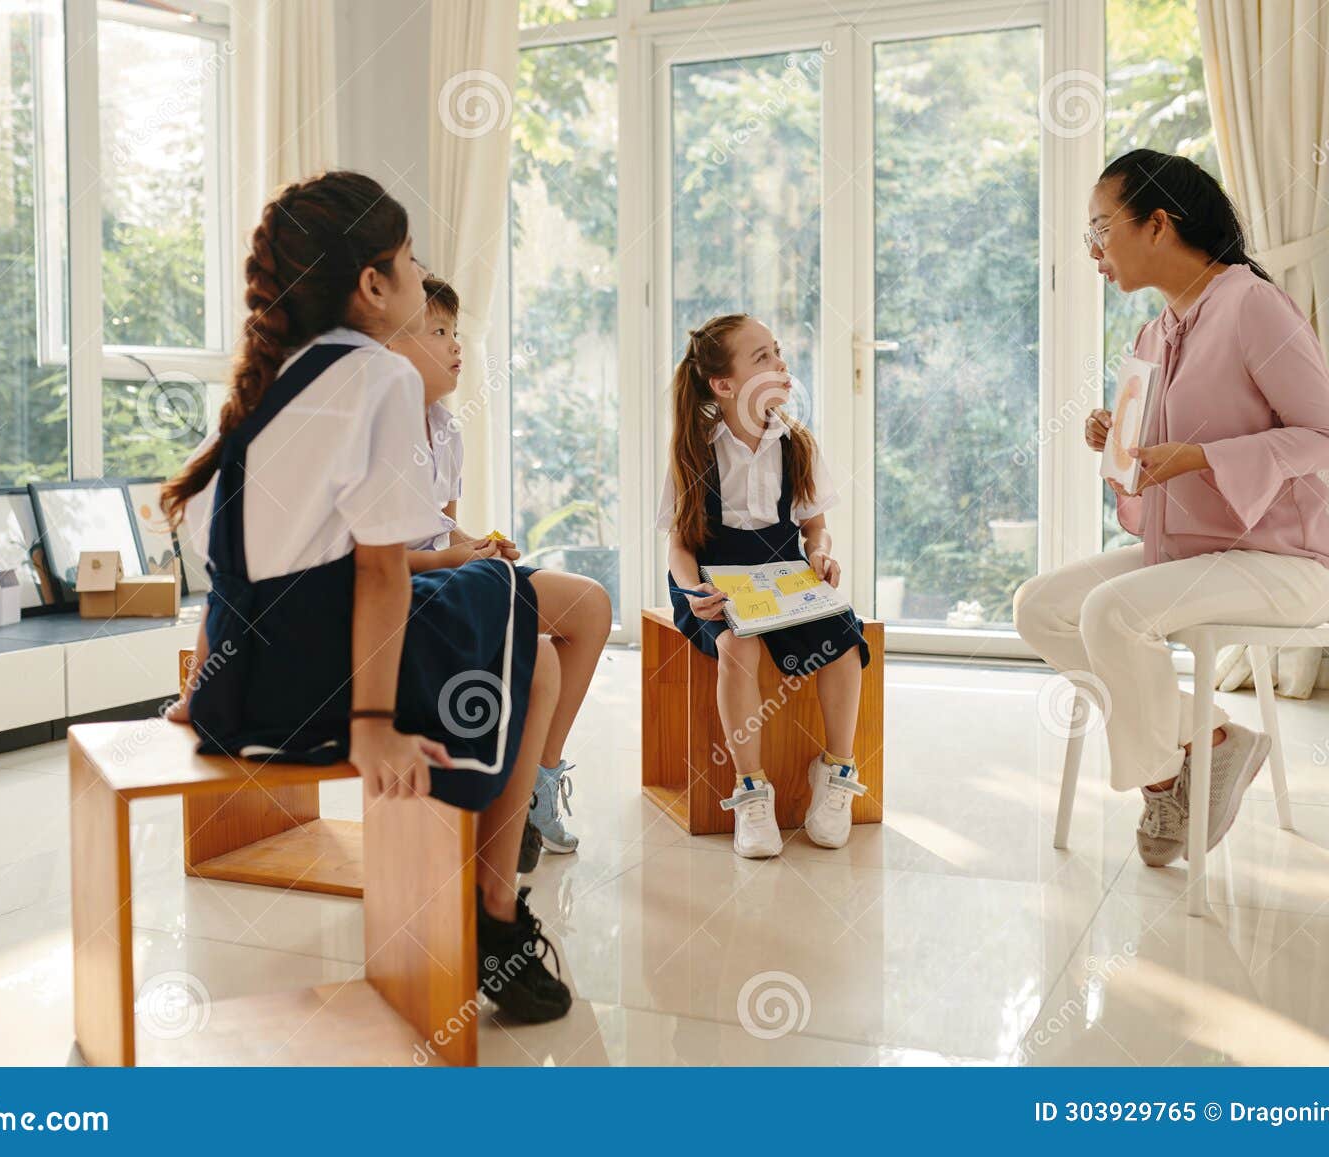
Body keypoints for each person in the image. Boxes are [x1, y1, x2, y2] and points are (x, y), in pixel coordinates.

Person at [160, 172, 571, 1022]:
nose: (422, 274)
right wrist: (375, 727)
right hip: (318, 691)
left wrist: (203, 685)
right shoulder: (380, 377)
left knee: (512, 628)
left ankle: (494, 895)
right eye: (410, 259)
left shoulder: (267, 377)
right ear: (374, 285)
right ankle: (495, 913)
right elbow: (382, 573)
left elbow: (228, 565)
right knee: (509, 602)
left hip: (239, 693)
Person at [1013, 149, 1329, 867]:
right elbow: (1158, 457)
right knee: (1040, 606)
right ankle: (1208, 740)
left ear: (1158, 224)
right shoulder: (1155, 331)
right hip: (1196, 550)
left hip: (1284, 560)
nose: (1094, 251)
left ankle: (1166, 783)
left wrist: (1201, 457)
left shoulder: (1253, 306)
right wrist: (1119, 438)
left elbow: (1325, 438)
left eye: (1101, 229)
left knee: (1112, 612)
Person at [387, 275, 611, 862]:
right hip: (409, 586)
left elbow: (441, 526)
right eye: (438, 332)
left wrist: (478, 544)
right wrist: (455, 556)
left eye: (455, 332)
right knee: (537, 649)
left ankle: (539, 778)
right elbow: (371, 559)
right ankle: (500, 792)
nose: (456, 345)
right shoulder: (375, 432)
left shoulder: (446, 428)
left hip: (453, 572)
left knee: (590, 605)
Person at [659, 313, 869, 859]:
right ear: (724, 385)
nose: (781, 363)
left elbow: (814, 527)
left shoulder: (797, 445)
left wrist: (819, 554)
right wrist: (692, 592)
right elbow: (680, 546)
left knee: (846, 643)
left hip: (783, 575)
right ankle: (751, 790)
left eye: (777, 351)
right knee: (739, 645)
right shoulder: (693, 450)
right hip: (714, 580)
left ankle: (837, 770)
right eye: (763, 357)